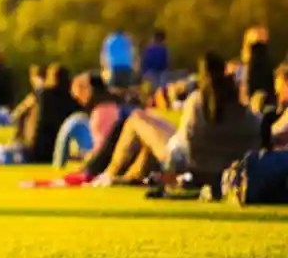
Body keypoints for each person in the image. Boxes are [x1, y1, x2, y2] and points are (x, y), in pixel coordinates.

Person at [101, 52, 260, 186]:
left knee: (137, 118)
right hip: (223, 166)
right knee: (152, 132)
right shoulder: (240, 107)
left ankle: (108, 173)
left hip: (189, 165)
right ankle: (129, 178)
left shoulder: (198, 101)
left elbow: (187, 141)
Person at [18, 65, 80, 164]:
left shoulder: (44, 95)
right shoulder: (72, 101)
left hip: (37, 150)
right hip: (58, 151)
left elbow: (20, 113)